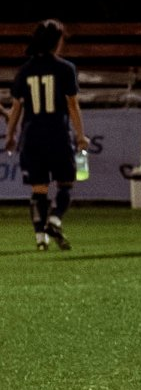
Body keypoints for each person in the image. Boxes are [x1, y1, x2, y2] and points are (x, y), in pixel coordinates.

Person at [16, 22, 84, 252]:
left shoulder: (25, 70)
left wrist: (11, 135)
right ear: (57, 41)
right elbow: (72, 105)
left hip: (32, 136)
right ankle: (54, 220)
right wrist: (81, 135)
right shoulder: (66, 68)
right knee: (66, 184)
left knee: (39, 189)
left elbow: (17, 105)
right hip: (57, 135)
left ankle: (40, 240)